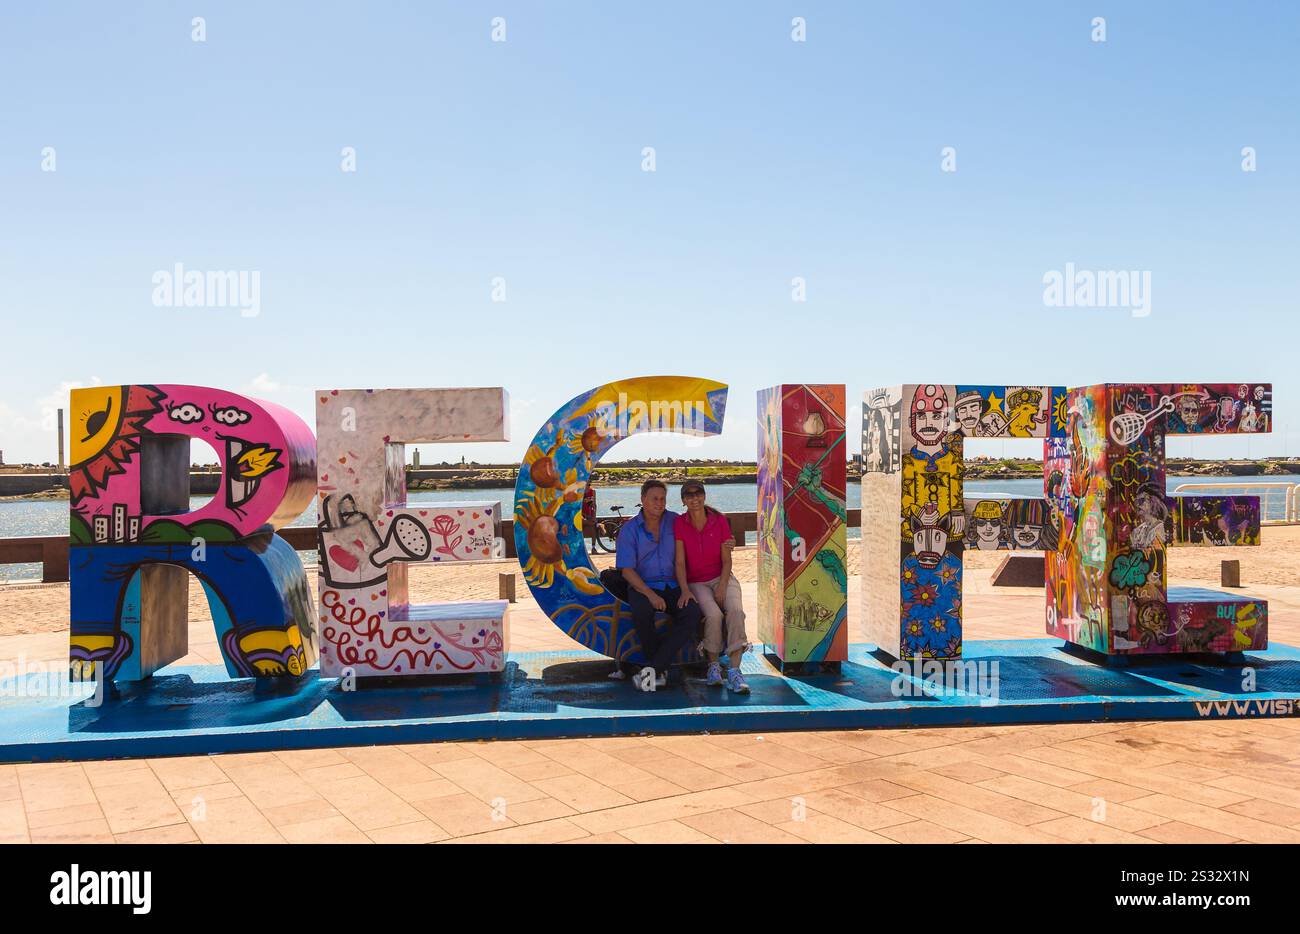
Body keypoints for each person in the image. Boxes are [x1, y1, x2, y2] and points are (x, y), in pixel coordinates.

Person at [616, 479, 703, 692]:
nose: (659, 503)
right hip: (642, 585)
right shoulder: (629, 530)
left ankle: (654, 669)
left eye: (662, 499)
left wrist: (725, 541)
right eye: (654, 498)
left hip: (673, 585)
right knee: (642, 611)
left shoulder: (675, 521)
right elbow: (627, 570)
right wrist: (650, 595)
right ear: (642, 500)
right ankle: (659, 669)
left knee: (692, 612)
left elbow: (702, 523)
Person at [673, 480, 749, 693]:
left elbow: (726, 561)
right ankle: (713, 666)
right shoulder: (680, 523)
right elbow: (679, 562)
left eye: (698, 493)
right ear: (683, 500)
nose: (694, 498)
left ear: (704, 496)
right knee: (714, 616)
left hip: (722, 576)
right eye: (689, 495)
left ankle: (734, 671)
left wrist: (723, 586)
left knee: (736, 611)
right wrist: (685, 589)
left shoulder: (719, 521)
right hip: (696, 582)